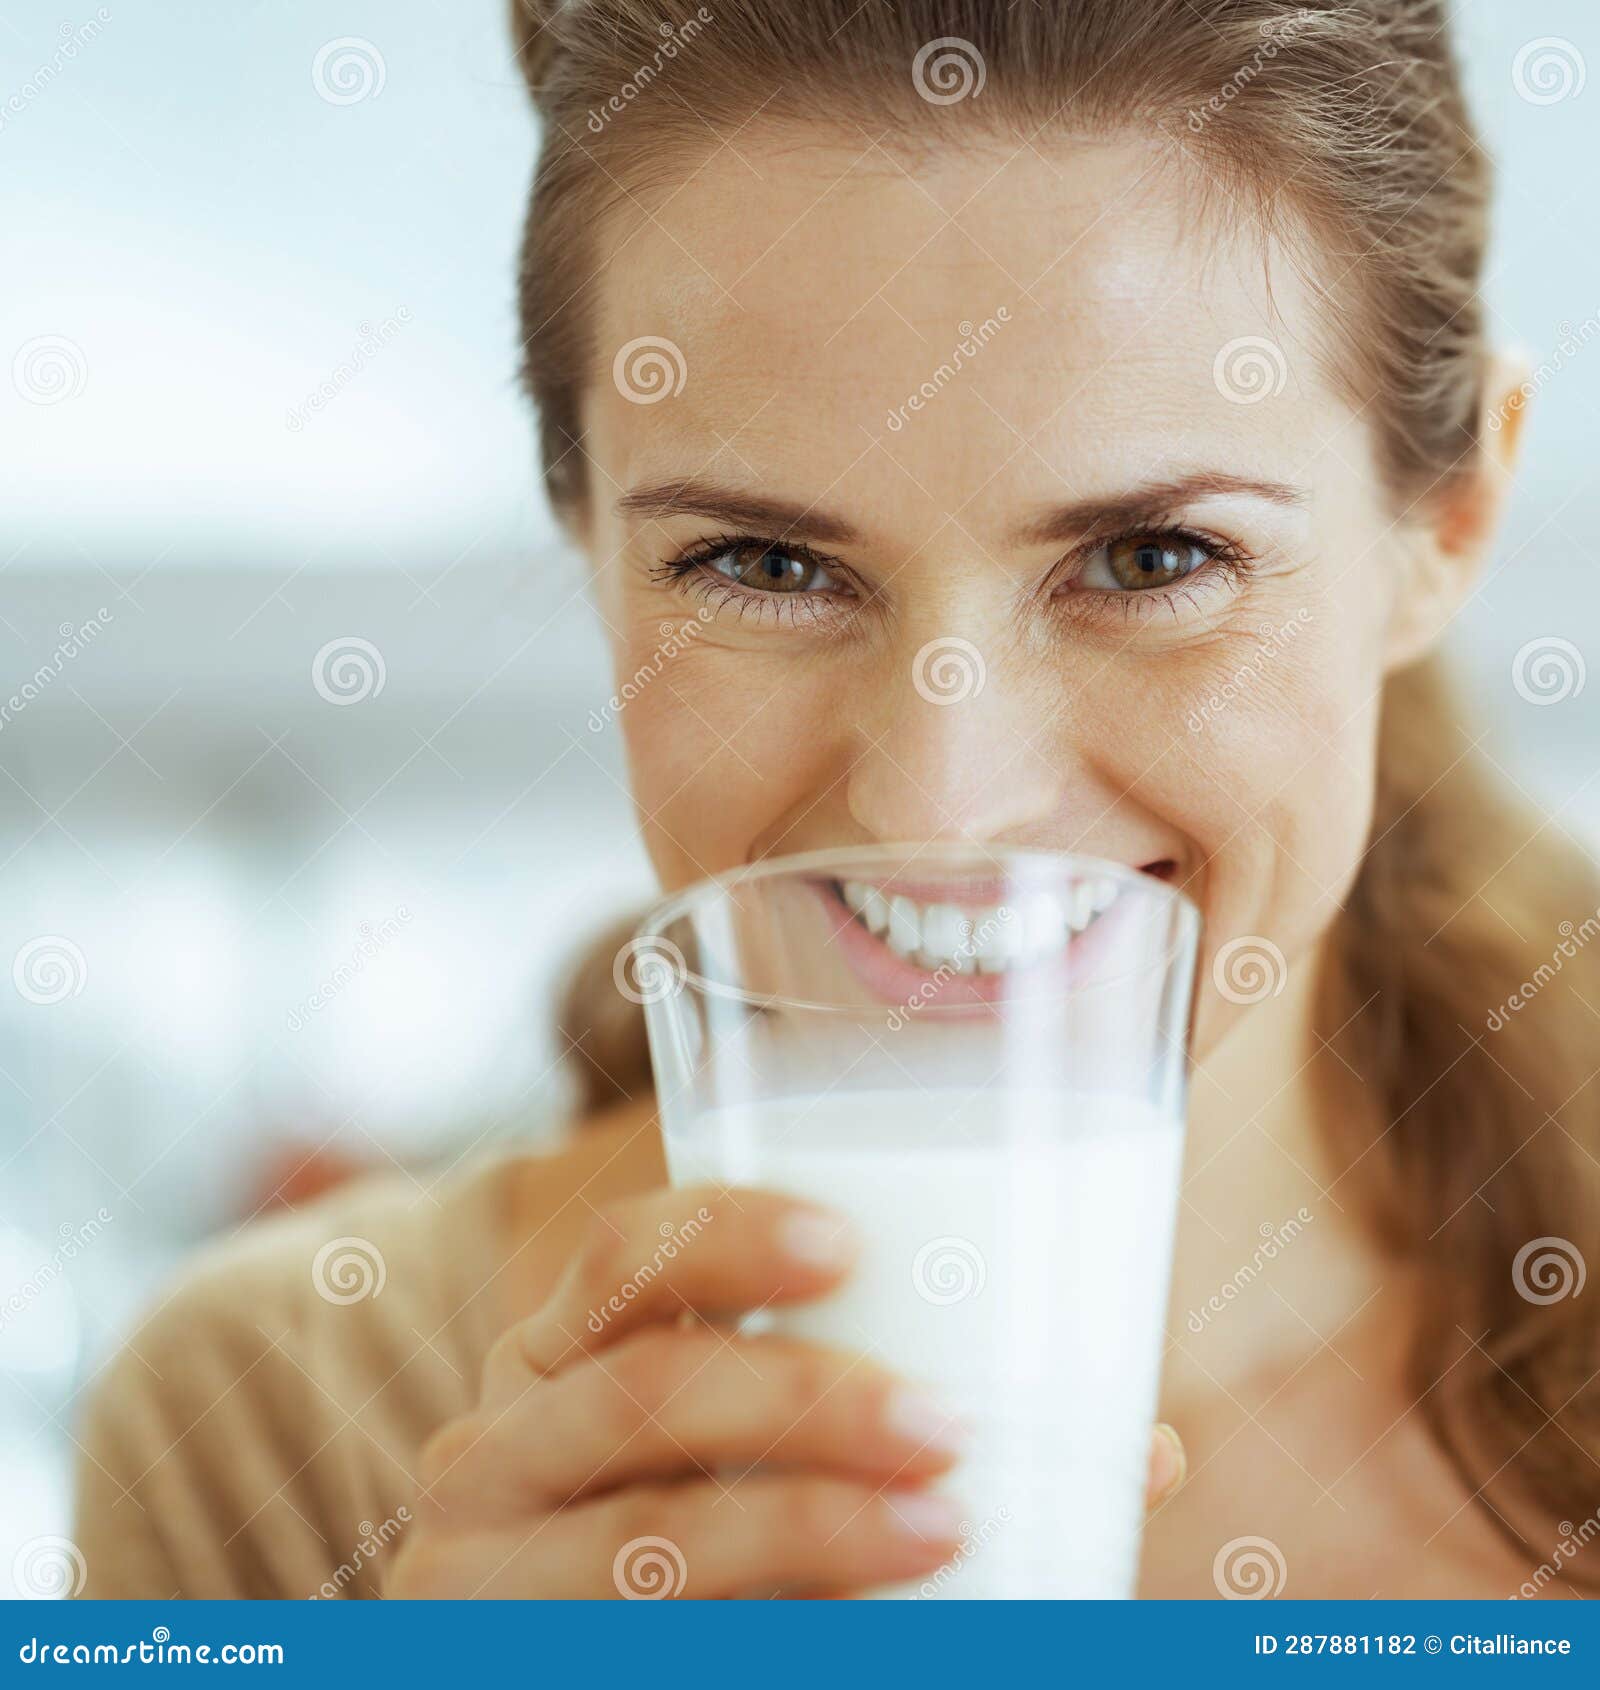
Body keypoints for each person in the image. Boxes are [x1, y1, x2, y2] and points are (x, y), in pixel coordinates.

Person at [73, 0, 1600, 1599]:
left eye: (1155, 559)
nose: (945, 800)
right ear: (582, 533)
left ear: (1450, 520)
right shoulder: (273, 1427)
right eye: (764, 563)